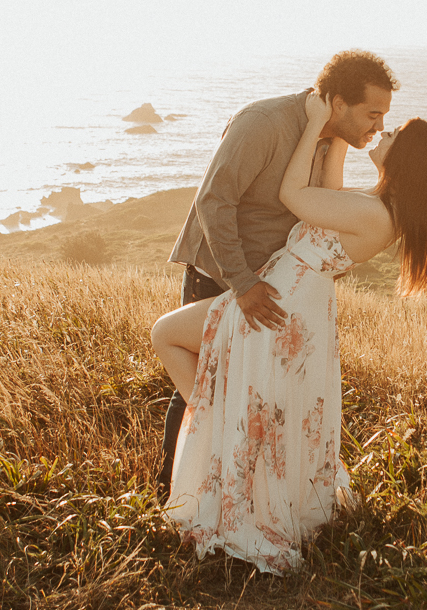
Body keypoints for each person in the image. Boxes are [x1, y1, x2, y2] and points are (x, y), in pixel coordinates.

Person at [151, 93, 427, 573]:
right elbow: (328, 198)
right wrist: (336, 138)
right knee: (267, 406)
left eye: (392, 133)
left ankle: (214, 439)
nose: (383, 131)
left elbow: (294, 197)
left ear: (408, 161)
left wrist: (317, 123)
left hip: (276, 304)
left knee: (166, 334)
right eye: (379, 120)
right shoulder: (378, 207)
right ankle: (222, 437)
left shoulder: (375, 214)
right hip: (294, 304)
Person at [157, 51, 399, 503]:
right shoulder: (264, 122)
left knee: (252, 390)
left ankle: (241, 490)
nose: (379, 126)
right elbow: (213, 202)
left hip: (272, 286)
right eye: (372, 113)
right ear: (338, 103)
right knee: (204, 376)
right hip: (225, 272)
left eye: (384, 116)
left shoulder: (328, 141)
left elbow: (322, 213)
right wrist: (243, 284)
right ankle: (173, 494)